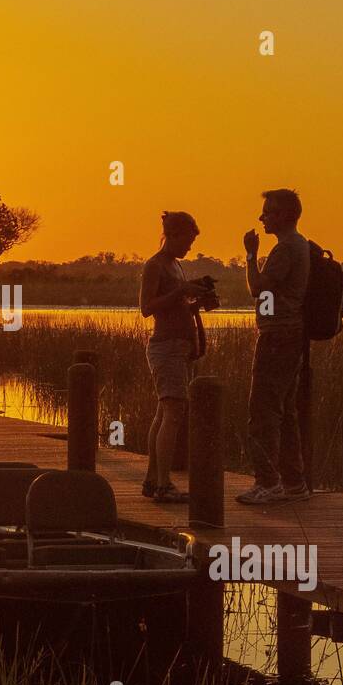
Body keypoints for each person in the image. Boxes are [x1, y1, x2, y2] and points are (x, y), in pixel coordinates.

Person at [236, 188, 311, 505]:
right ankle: (294, 482)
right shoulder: (299, 245)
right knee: (285, 411)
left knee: (262, 411)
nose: (262, 217)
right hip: (291, 334)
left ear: (286, 215)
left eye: (268, 211)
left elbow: (257, 288)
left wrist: (251, 254)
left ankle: (268, 483)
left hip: (277, 336)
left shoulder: (286, 249)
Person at [139, 211, 216, 503]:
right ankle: (163, 483)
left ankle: (152, 480)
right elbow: (147, 307)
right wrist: (181, 292)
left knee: (164, 413)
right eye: (187, 240)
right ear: (172, 236)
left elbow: (175, 304)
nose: (189, 246)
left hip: (180, 348)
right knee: (172, 411)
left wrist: (195, 301)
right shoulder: (155, 266)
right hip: (165, 347)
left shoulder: (177, 267)